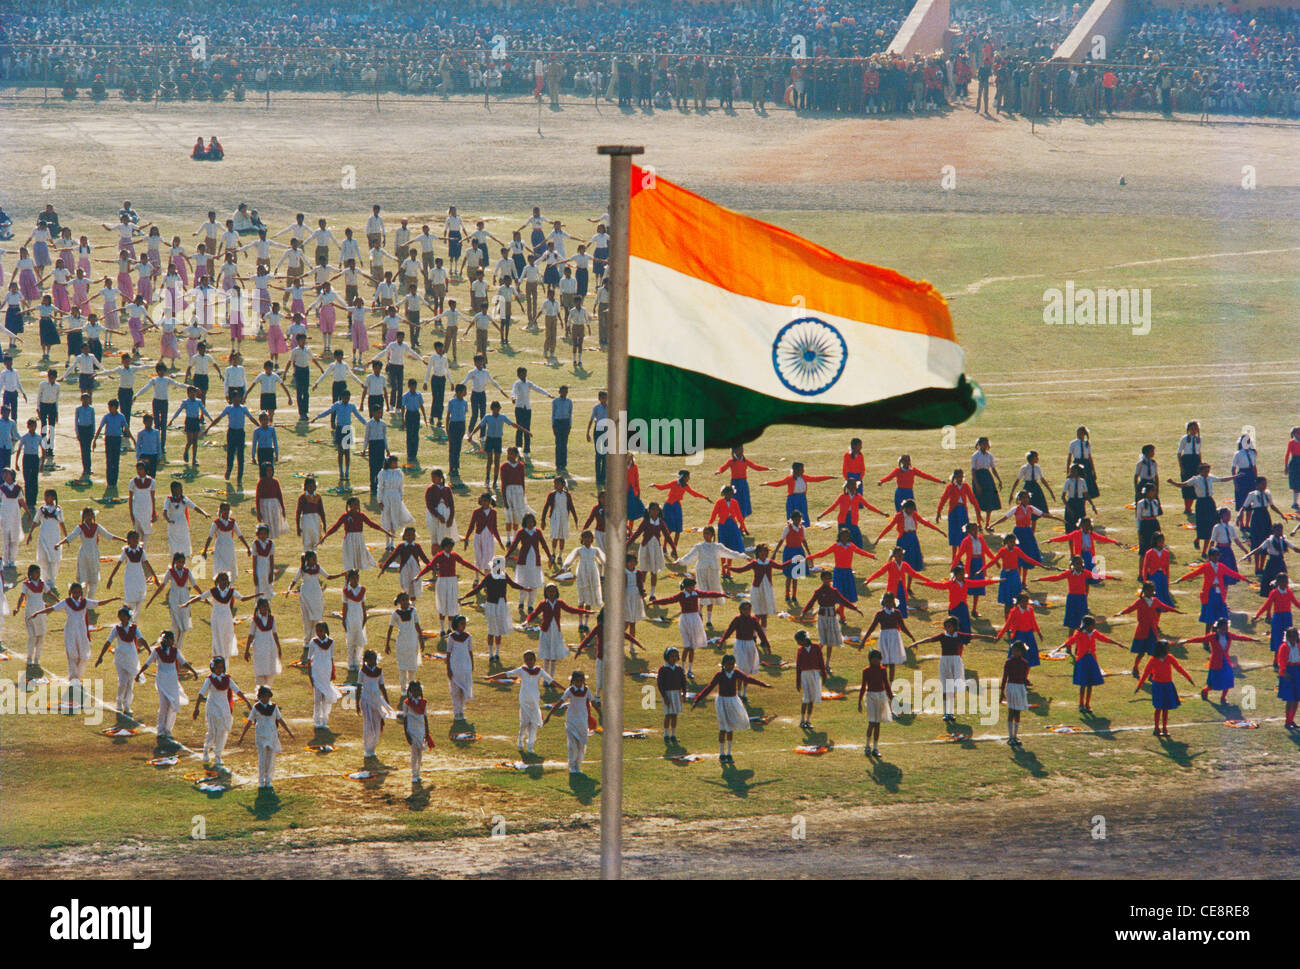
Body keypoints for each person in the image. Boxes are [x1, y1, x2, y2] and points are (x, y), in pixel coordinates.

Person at [691, 654, 770, 764]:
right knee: (723, 728)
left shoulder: (736, 673)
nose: (731, 666)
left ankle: (728, 753)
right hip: (722, 702)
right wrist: (698, 699)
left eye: (732, 664)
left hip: (733, 701)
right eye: (728, 664)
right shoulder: (719, 675)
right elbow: (710, 687)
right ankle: (722, 753)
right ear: (723, 665)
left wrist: (763, 684)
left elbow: (747, 679)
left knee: (730, 728)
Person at [487, 650, 554, 756]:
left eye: (530, 659)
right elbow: (507, 674)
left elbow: (551, 680)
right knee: (524, 723)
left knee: (534, 725)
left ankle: (530, 745)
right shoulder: (522, 670)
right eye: (526, 660)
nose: (529, 662)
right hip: (524, 701)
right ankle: (520, 740)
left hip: (534, 701)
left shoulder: (539, 671)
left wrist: (564, 688)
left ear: (534, 660)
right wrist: (492, 677)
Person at [136, 629, 197, 742]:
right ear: (167, 640)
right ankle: (160, 730)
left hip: (173, 681)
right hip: (162, 681)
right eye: (171, 639)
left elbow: (183, 662)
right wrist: (139, 673)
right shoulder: (157, 651)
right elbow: (147, 663)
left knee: (172, 705)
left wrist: (193, 671)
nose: (173, 641)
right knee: (164, 705)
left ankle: (168, 730)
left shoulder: (175, 651)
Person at [193, 656, 251, 772]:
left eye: (221, 667)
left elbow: (237, 690)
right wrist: (196, 708)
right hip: (212, 707)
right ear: (212, 668)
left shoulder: (227, 679)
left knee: (223, 730)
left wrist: (247, 702)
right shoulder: (209, 679)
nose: (219, 669)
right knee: (213, 731)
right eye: (217, 667)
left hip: (224, 708)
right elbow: (201, 693)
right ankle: (206, 750)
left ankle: (218, 755)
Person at [543, 669, 601, 774]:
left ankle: (577, 765)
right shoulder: (569, 691)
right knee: (572, 744)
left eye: (580, 681)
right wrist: (549, 716)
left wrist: (602, 715)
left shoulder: (586, 691)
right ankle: (572, 765)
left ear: (583, 681)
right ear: (573, 681)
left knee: (581, 744)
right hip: (571, 721)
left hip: (582, 721)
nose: (578, 683)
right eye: (576, 681)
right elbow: (559, 703)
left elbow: (594, 703)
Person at [1134, 641, 1195, 738]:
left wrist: (1188, 678)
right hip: (1158, 686)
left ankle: (1164, 728)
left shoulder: (1169, 658)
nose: (1169, 650)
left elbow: (1179, 668)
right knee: (1158, 708)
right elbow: (1146, 673)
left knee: (1165, 708)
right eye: (1167, 648)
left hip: (1167, 685)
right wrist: (1139, 685)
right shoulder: (1153, 660)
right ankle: (1156, 728)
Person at [238, 686, 294, 790]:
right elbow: (249, 722)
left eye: (268, 696)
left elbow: (280, 720)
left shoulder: (273, 707)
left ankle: (268, 780)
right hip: (261, 735)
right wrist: (242, 736)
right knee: (262, 758)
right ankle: (260, 781)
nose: (266, 698)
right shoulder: (256, 707)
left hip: (272, 734)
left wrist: (289, 732)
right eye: (264, 696)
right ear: (260, 697)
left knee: (271, 758)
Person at [999, 642, 1031, 748]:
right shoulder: (1008, 662)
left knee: (1017, 713)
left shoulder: (1025, 663)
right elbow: (1005, 677)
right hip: (1011, 687)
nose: (1014, 652)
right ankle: (1010, 736)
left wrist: (1026, 685)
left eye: (1017, 650)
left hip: (1020, 687)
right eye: (1013, 650)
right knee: (1011, 712)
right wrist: (1002, 692)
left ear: (1021, 652)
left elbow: (1024, 677)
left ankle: (1015, 735)